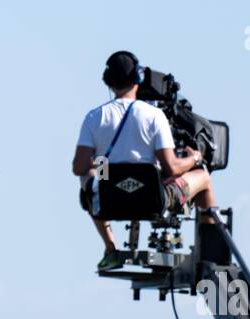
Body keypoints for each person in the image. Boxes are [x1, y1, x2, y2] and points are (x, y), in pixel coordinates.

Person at [71, 50, 218, 271]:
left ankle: (111, 247)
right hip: (153, 200)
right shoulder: (154, 115)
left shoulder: (94, 117)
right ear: (137, 79)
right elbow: (171, 168)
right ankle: (209, 254)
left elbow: (79, 167)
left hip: (110, 201)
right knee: (204, 178)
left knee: (91, 173)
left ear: (108, 82)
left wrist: (105, 162)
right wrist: (194, 158)